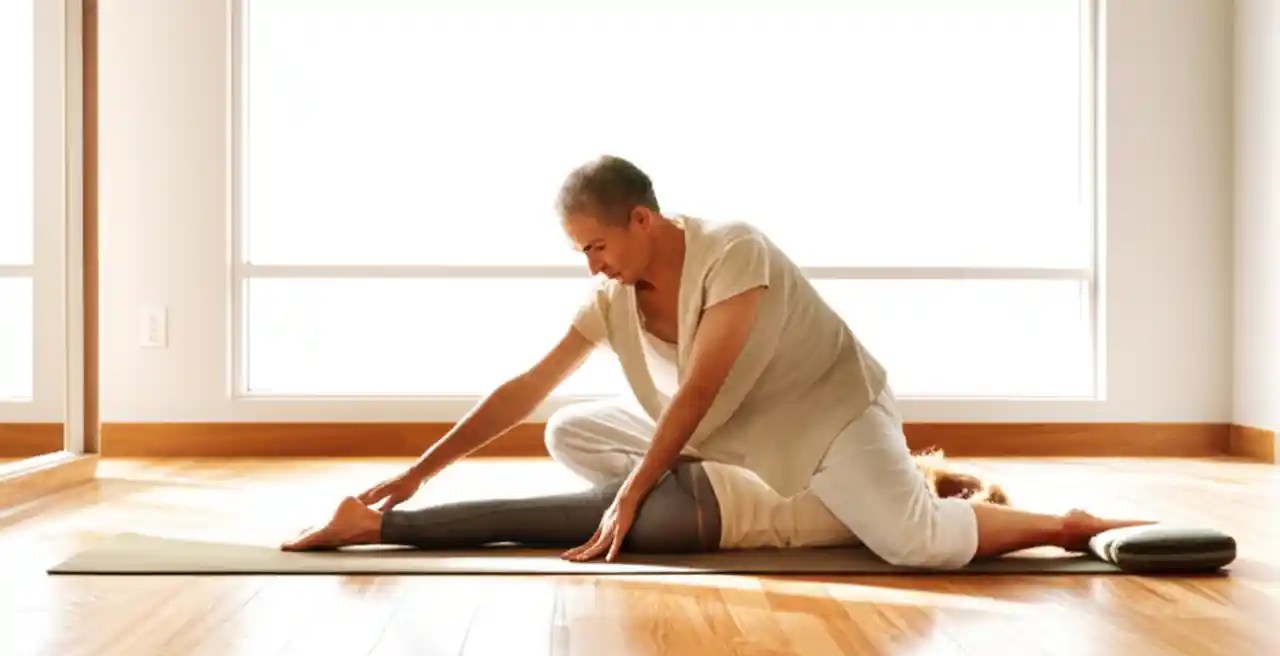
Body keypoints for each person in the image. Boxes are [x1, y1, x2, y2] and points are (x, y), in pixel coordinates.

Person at [282, 156, 1151, 565]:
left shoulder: (734, 252)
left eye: (594, 245)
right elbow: (522, 390)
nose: (591, 265)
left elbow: (698, 389)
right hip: (731, 445)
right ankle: (405, 515)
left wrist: (632, 496)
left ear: (642, 222)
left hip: (826, 421)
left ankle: (1065, 525)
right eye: (577, 252)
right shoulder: (613, 298)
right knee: (569, 425)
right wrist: (416, 473)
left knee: (916, 544)